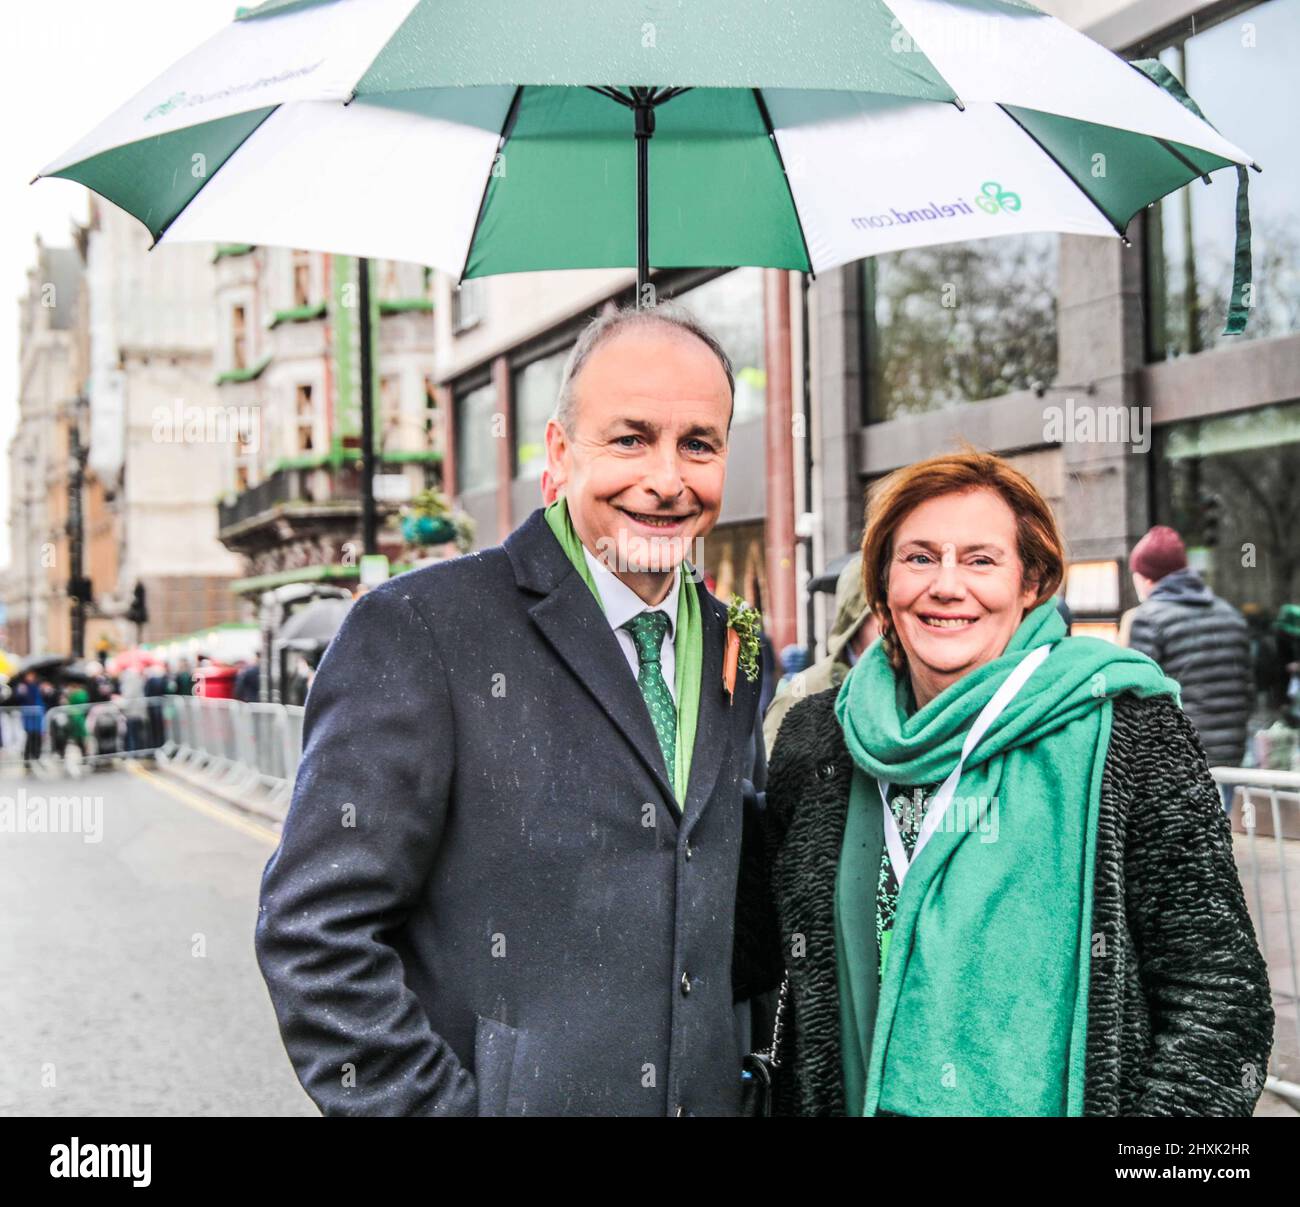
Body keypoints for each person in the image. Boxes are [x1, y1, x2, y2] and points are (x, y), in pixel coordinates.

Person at [255, 302, 781, 1116]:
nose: (668, 479)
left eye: (699, 444)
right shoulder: (423, 628)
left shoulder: (734, 644)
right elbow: (314, 933)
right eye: (631, 437)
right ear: (560, 452)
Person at [763, 451, 1272, 1116]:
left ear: (1031, 583)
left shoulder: (1126, 728)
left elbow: (1220, 997)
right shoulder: (819, 739)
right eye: (919, 557)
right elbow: (767, 964)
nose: (947, 585)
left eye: (980, 559)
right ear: (883, 582)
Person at [1127, 525, 1253, 813]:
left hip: (1177, 762)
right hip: (1229, 758)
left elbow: (1139, 696)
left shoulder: (1148, 619)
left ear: (1147, 578)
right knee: (1217, 843)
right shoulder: (1230, 615)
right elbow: (1247, 690)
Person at [763, 554, 877, 755]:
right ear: (855, 619)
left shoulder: (919, 690)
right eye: (882, 612)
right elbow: (773, 778)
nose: (894, 627)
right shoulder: (801, 696)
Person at [13, 671, 46, 770]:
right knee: (30, 737)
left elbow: (44, 699)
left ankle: (37, 757)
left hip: (38, 716)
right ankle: (27, 760)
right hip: (29, 716)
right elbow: (17, 699)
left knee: (38, 737)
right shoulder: (22, 687)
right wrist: (21, 693)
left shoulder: (38, 685)